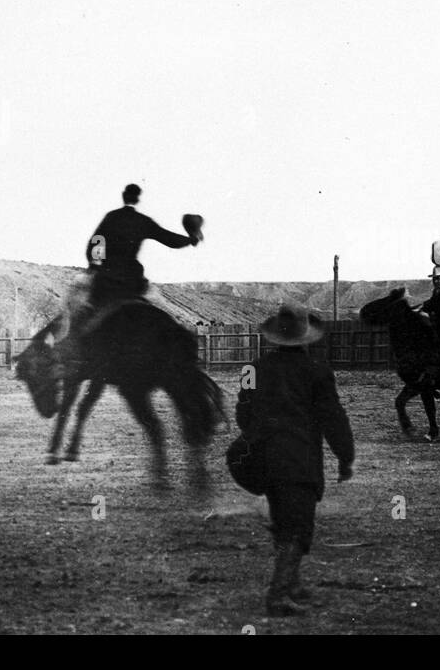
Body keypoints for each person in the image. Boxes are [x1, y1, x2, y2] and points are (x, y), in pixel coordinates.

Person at [236, 304, 355, 617]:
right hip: (300, 462)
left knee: (282, 523)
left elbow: (242, 412)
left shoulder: (253, 368)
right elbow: (333, 417)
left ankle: (293, 585)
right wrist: (345, 457)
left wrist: (261, 435)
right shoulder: (317, 371)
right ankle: (277, 595)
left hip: (264, 461)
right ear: (305, 338)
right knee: (298, 528)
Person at [57, 184, 204, 354]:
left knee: (81, 309)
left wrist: (95, 264)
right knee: (154, 306)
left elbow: (96, 241)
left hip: (106, 279)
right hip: (133, 282)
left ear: (123, 196)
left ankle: (71, 346)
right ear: (138, 199)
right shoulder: (143, 221)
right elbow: (168, 238)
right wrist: (190, 240)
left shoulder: (111, 218)